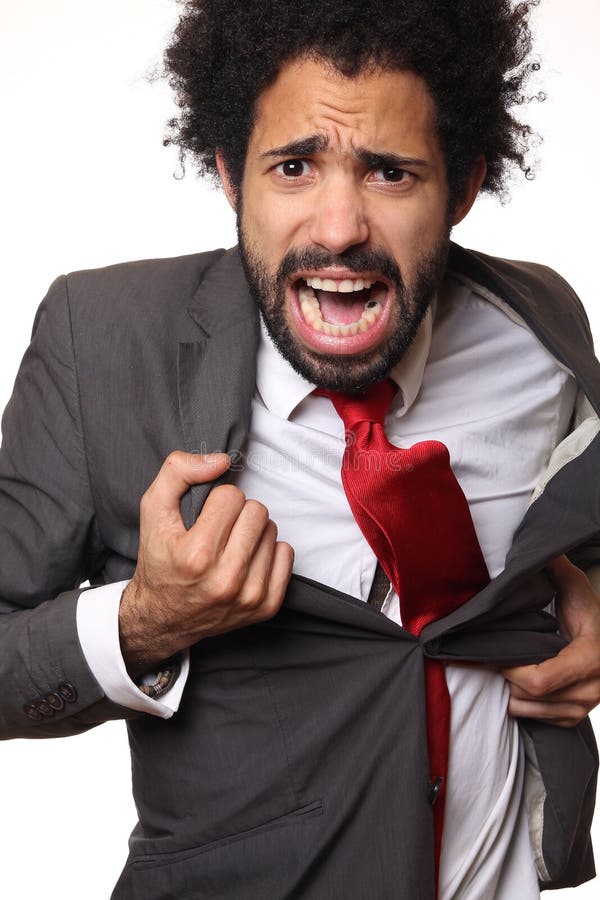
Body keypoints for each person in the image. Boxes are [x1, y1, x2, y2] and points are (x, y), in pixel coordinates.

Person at [1, 1, 600, 898]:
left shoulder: (540, 325)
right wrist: (144, 622)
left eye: (390, 173)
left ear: (465, 188)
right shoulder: (101, 342)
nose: (338, 228)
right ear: (230, 176)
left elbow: (574, 537)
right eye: (292, 167)